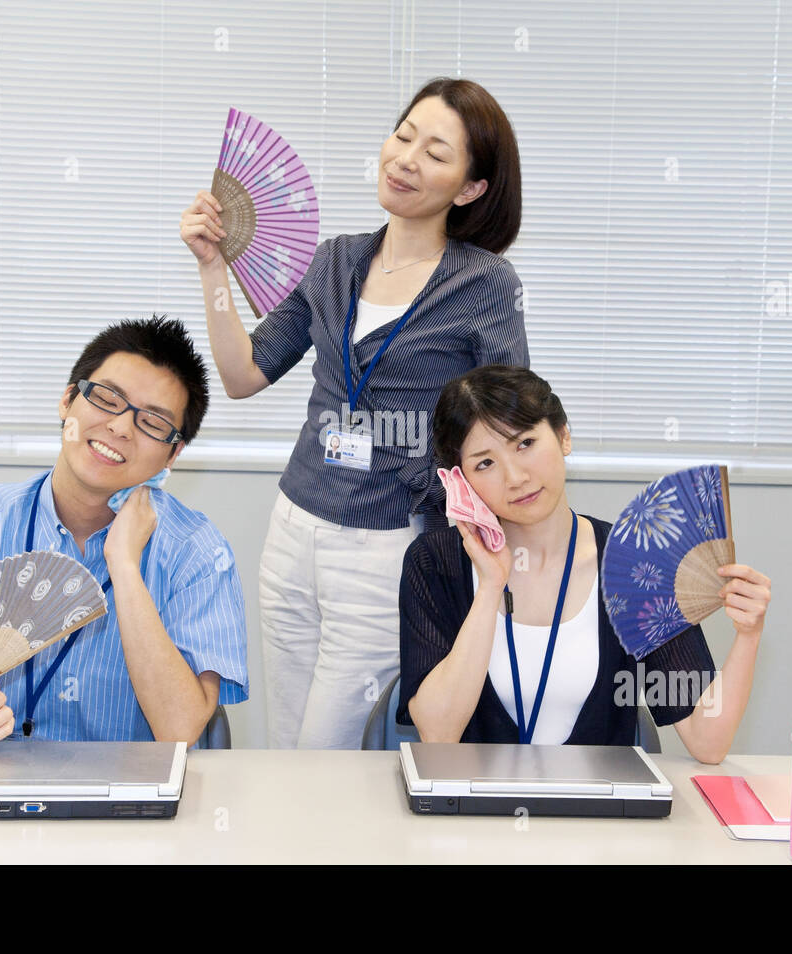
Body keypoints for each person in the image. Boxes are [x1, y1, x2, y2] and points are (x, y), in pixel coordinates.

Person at [181, 78, 529, 749]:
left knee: (326, 752)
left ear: (469, 188)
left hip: (387, 545)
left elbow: (508, 424)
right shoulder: (334, 260)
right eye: (403, 137)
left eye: (435, 152)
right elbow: (242, 373)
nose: (405, 159)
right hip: (293, 530)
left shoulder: (484, 283)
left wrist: (456, 509)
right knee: (286, 745)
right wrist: (212, 270)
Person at [0, 317, 249, 747]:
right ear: (68, 400)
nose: (121, 427)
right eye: (109, 399)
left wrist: (125, 566)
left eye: (152, 422)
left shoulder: (198, 554)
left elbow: (181, 731)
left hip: (129, 802)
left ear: (174, 453)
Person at [399, 366, 771, 761]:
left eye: (525, 443)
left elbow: (707, 740)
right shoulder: (434, 563)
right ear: (461, 483)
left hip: (599, 816)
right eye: (485, 463)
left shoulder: (634, 565)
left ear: (564, 436)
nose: (515, 477)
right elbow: (438, 735)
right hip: (477, 812)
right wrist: (490, 585)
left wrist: (749, 635)